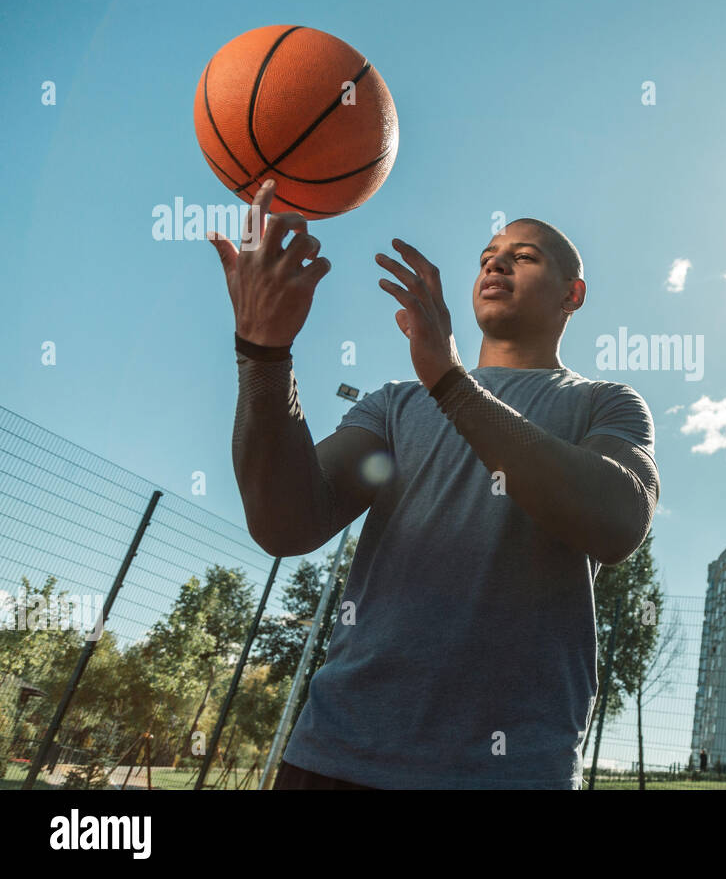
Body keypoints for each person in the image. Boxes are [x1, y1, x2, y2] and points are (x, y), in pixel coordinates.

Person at [208, 180, 659, 788]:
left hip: (510, 771)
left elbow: (617, 520)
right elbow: (285, 522)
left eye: (524, 256)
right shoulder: (396, 405)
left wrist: (452, 383)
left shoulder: (606, 404)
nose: (497, 261)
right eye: (487, 257)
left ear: (573, 294)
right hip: (337, 756)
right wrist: (263, 353)